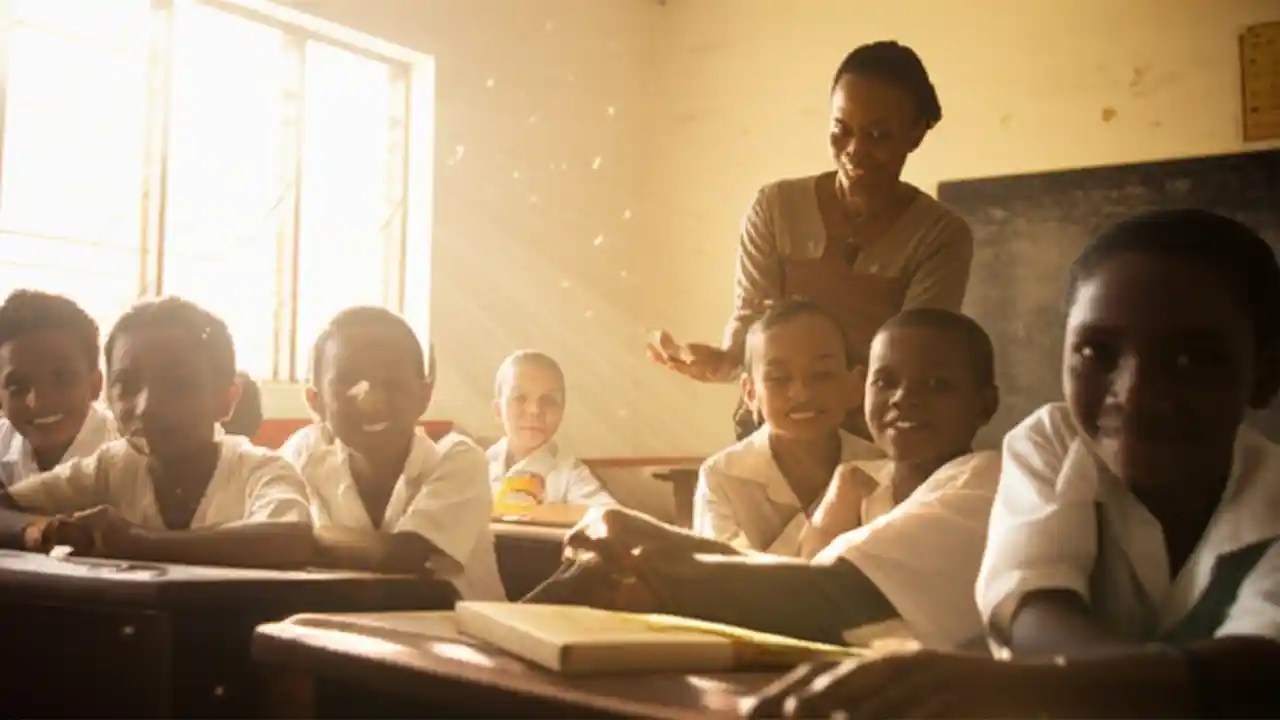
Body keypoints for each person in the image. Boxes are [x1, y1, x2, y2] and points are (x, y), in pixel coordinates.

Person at [747, 209, 1280, 718]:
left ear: (1264, 371)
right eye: (1096, 353)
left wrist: (1005, 686)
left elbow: (1258, 676)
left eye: (1189, 359)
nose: (1135, 394)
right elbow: (1031, 610)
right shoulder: (1054, 441)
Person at [536, 308, 1002, 650]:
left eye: (937, 385)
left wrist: (658, 551)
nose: (905, 399)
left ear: (985, 403)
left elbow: (825, 595)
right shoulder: (865, 484)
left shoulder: (983, 483)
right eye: (886, 383)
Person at [647, 40, 973, 440]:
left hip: (871, 446)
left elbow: (910, 363)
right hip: (772, 437)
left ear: (916, 133)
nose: (856, 150)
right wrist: (725, 360)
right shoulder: (776, 207)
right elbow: (751, 321)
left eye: (877, 135)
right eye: (841, 130)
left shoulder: (940, 236)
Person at [0, 297, 314, 568]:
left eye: (178, 384)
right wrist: (41, 530)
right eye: (127, 383)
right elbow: (7, 505)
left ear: (226, 399)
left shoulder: (260, 470)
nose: (146, 406)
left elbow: (289, 538)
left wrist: (141, 542)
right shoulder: (111, 467)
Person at [281, 306, 505, 601]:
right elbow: (267, 538)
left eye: (393, 384)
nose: (371, 401)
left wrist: (302, 541)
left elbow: (404, 555)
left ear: (424, 396)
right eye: (349, 383)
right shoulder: (304, 455)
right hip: (348, 637)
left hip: (463, 641)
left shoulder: (459, 460)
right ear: (315, 401)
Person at [693, 300, 881, 555]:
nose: (802, 393)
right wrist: (824, 521)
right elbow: (731, 583)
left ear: (855, 385)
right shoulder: (722, 478)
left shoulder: (879, 466)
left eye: (822, 374)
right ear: (750, 393)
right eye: (779, 378)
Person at [0, 290, 117, 487]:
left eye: (62, 379)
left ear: (95, 384)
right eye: (18, 386)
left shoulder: (128, 466)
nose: (40, 402)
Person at [486, 350, 616, 509]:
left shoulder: (571, 473)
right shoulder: (476, 466)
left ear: (561, 412)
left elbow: (608, 515)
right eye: (520, 398)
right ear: (498, 410)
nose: (534, 410)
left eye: (548, 400)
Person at [221, 371, 263, 439]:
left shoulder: (251, 411)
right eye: (233, 385)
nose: (233, 389)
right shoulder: (223, 404)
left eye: (238, 386)